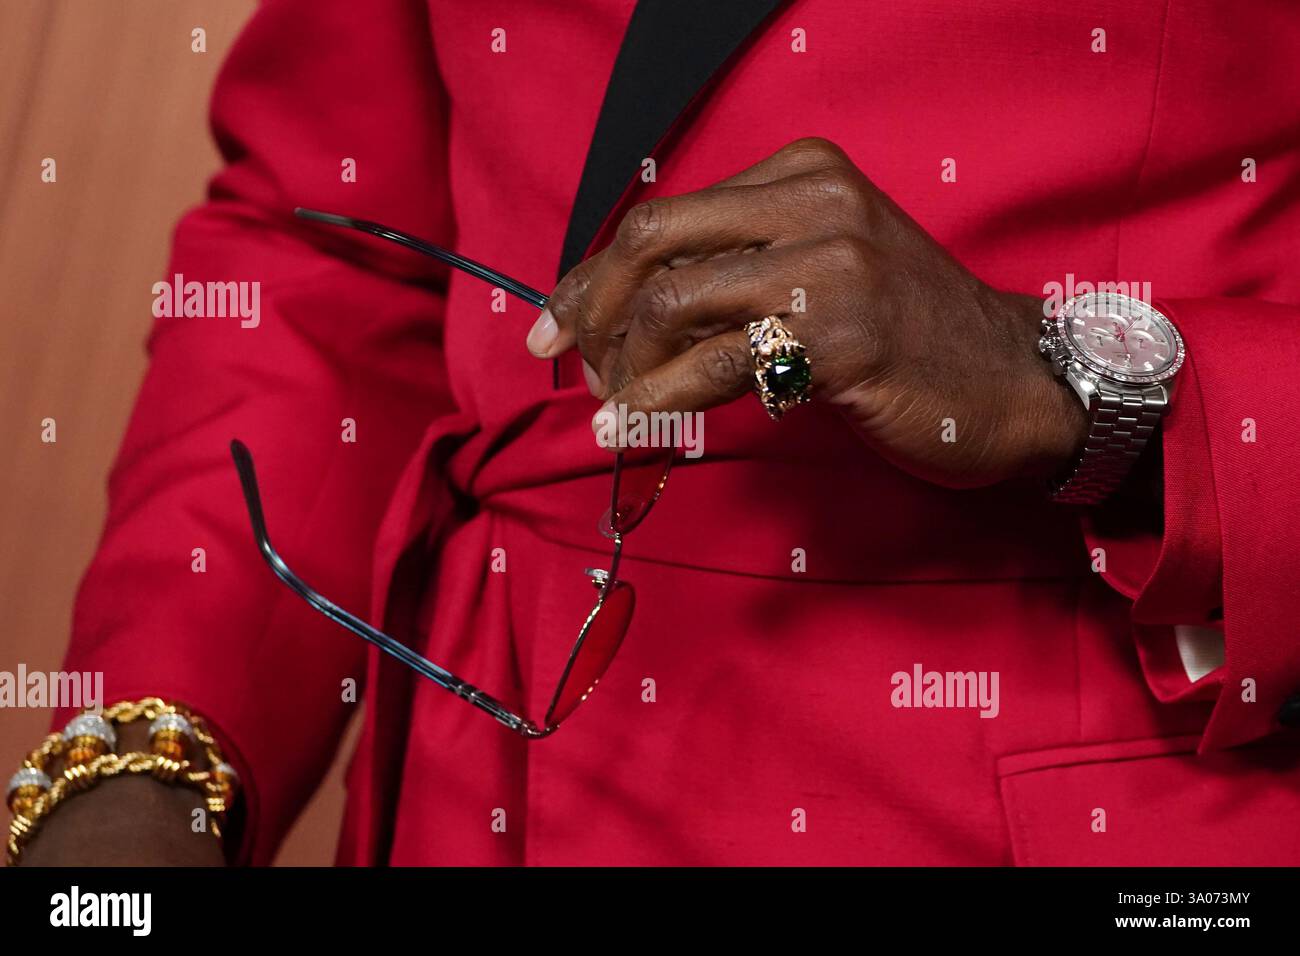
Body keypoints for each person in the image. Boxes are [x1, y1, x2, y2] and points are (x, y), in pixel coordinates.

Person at [14, 0, 1300, 866]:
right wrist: (155, 750)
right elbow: (338, 264)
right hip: (467, 794)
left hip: (1044, 798)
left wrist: (1074, 381)